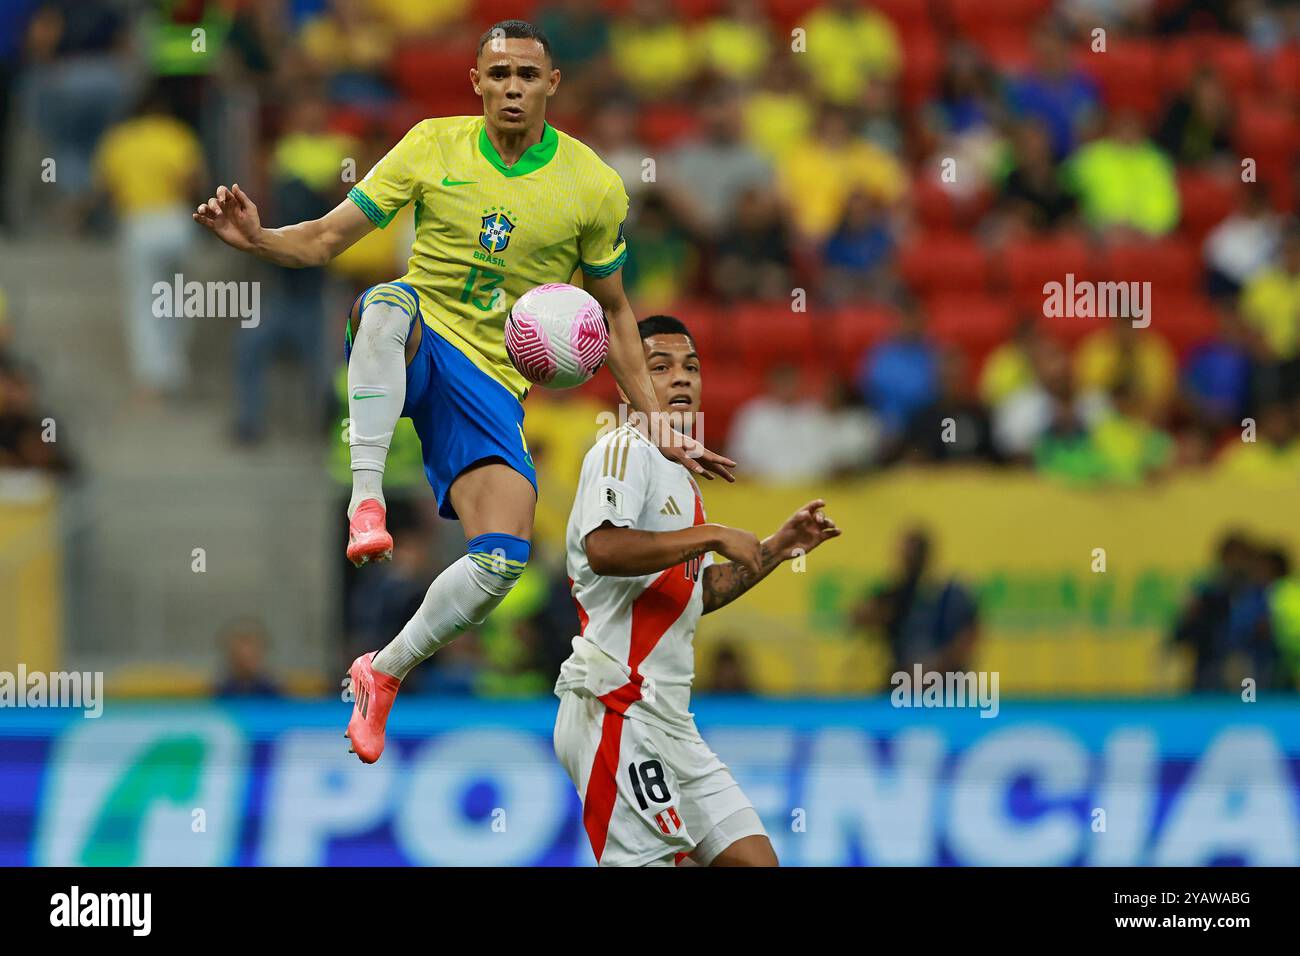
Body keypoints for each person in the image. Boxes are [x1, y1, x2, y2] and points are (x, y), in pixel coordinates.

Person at [193, 21, 736, 764]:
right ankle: (366, 500)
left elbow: (612, 309)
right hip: (419, 336)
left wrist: (656, 420)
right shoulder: (430, 146)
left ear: (553, 86)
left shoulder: (592, 186)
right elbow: (324, 240)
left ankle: (382, 672)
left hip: (490, 381)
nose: (513, 87)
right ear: (476, 82)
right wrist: (258, 239)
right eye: (499, 74)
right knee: (384, 301)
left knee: (503, 558)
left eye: (528, 76)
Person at [553, 315, 842, 867]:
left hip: (670, 719)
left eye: (691, 367)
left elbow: (695, 593)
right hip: (616, 706)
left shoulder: (681, 476)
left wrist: (776, 548)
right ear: (627, 383)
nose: (680, 379)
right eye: (659, 367)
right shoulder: (621, 448)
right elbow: (604, 549)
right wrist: (711, 533)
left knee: (757, 861)